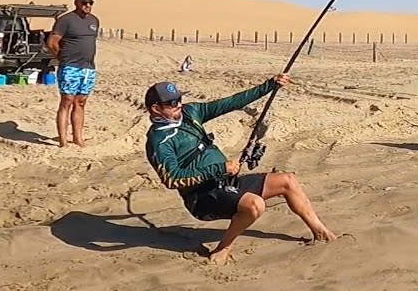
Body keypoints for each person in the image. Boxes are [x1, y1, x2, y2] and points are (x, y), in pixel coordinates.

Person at [142, 74, 338, 265]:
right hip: (203, 197)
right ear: (156, 109)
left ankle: (320, 231)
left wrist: (269, 85)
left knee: (288, 181)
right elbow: (172, 179)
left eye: (179, 100)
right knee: (255, 205)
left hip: (227, 182)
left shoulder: (191, 112)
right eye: (172, 103)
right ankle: (223, 248)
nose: (179, 105)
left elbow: (230, 103)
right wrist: (220, 168)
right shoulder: (159, 141)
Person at [46, 0, 101, 148]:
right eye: (84, 2)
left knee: (81, 102)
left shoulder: (94, 21)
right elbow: (52, 42)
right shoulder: (65, 20)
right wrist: (61, 58)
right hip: (70, 67)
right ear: (76, 2)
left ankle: (78, 138)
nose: (88, 5)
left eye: (90, 2)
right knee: (67, 101)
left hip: (88, 68)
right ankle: (63, 141)